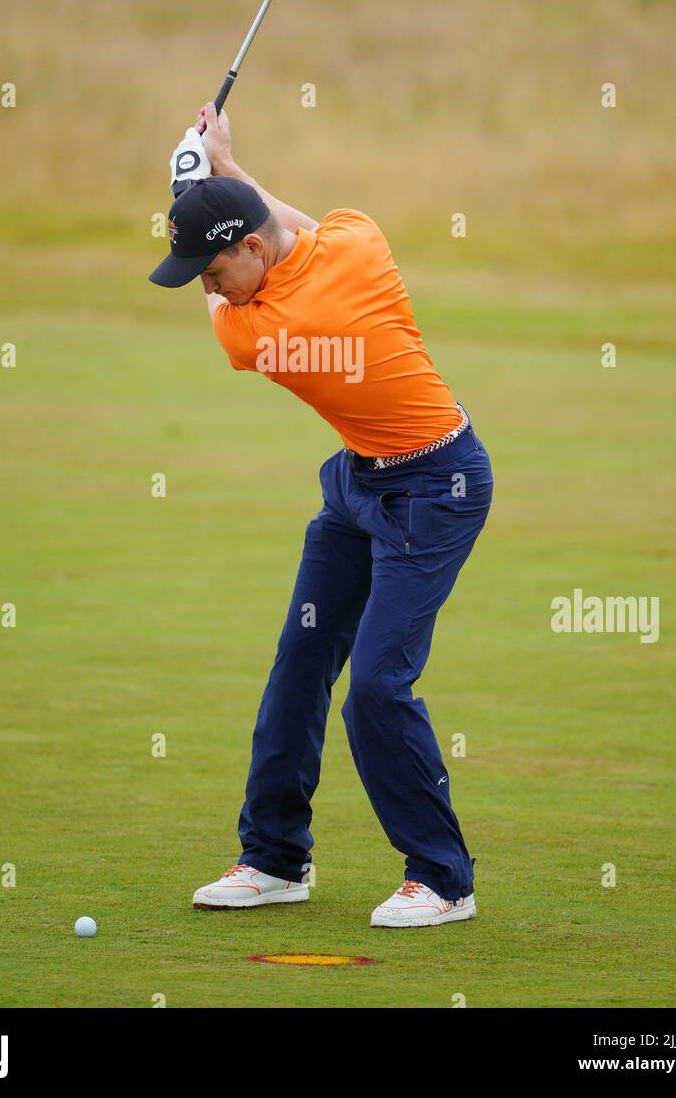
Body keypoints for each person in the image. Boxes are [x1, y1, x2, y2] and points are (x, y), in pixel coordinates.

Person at [149, 102, 493, 928]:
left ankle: (444, 879)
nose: (208, 284)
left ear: (250, 253)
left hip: (436, 491)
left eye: (212, 270)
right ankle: (275, 858)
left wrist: (188, 175)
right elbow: (288, 225)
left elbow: (239, 294)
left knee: (375, 684)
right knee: (301, 661)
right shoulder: (356, 242)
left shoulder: (277, 331)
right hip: (359, 482)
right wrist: (223, 171)